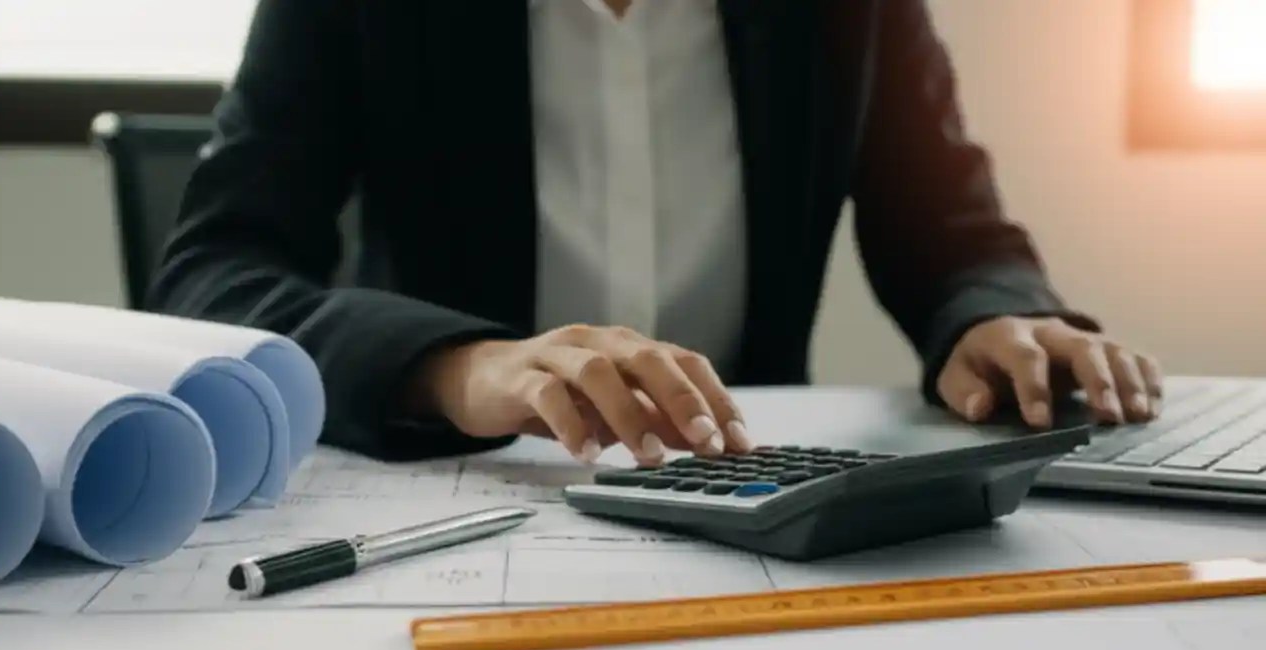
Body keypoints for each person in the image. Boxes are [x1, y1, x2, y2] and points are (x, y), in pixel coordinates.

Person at [150, 0, 1163, 467]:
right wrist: (459, 369)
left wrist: (997, 316)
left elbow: (947, 224)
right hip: (465, 497)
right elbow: (211, 271)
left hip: (760, 492)